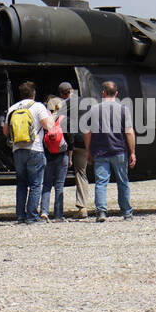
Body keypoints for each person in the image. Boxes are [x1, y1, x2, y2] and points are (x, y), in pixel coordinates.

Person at [84, 80, 136, 222]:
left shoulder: (94, 110)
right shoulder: (123, 109)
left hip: (100, 152)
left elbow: (88, 132)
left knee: (101, 183)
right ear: (116, 93)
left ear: (103, 93)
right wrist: (132, 152)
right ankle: (126, 213)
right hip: (119, 151)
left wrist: (88, 151)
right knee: (123, 182)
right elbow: (129, 132)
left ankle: (101, 212)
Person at [2, 81, 53, 224]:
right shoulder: (38, 107)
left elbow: (6, 131)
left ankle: (20, 216)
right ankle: (32, 216)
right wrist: (50, 116)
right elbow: (48, 126)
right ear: (34, 93)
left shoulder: (13, 108)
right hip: (34, 149)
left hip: (18, 150)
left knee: (21, 183)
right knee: (36, 184)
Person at [59, 82, 90, 218]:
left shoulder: (63, 105)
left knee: (58, 176)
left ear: (62, 94)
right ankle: (82, 206)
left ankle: (54, 208)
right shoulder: (86, 102)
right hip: (84, 143)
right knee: (81, 174)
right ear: (72, 90)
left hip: (68, 144)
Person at [43, 95, 70, 221]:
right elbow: (71, 140)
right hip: (61, 154)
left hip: (48, 155)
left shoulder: (45, 120)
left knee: (47, 185)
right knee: (59, 185)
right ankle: (58, 215)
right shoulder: (65, 120)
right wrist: (70, 157)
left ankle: (44, 212)